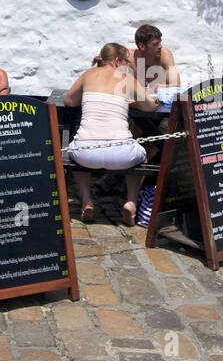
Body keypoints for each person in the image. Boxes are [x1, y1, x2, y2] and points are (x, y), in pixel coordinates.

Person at [63, 42, 159, 226]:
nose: (129, 66)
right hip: (121, 154)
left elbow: (69, 100)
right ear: (116, 61)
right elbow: (150, 105)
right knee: (142, 157)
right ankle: (131, 203)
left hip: (86, 152)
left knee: (75, 153)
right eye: (127, 63)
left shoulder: (88, 74)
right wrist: (133, 102)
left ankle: (86, 201)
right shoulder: (125, 78)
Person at [130, 24, 180, 91]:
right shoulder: (130, 58)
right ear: (142, 46)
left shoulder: (165, 55)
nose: (160, 46)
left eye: (160, 42)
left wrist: (160, 87)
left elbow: (177, 86)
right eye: (155, 44)